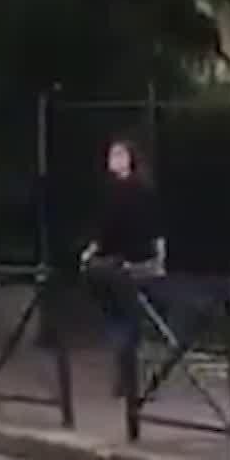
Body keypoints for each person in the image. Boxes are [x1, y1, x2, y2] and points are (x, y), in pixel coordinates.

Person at [79, 139, 165, 397]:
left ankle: (127, 374)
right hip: (128, 260)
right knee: (128, 319)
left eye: (119, 154)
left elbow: (113, 229)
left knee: (123, 319)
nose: (113, 159)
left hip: (126, 261)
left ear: (131, 158)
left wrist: (93, 252)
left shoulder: (128, 192)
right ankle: (129, 373)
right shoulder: (129, 190)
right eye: (111, 155)